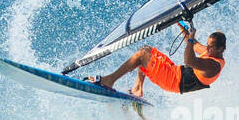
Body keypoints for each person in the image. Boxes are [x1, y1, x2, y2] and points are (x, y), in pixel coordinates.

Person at [89, 25, 225, 98]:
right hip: (176, 72)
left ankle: (109, 80)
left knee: (141, 56)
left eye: (211, 46)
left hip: (174, 81)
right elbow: (194, 45)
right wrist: (181, 24)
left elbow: (189, 60)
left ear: (221, 49)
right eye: (207, 44)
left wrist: (190, 39)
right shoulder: (211, 52)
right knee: (146, 49)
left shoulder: (213, 66)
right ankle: (138, 88)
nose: (207, 48)